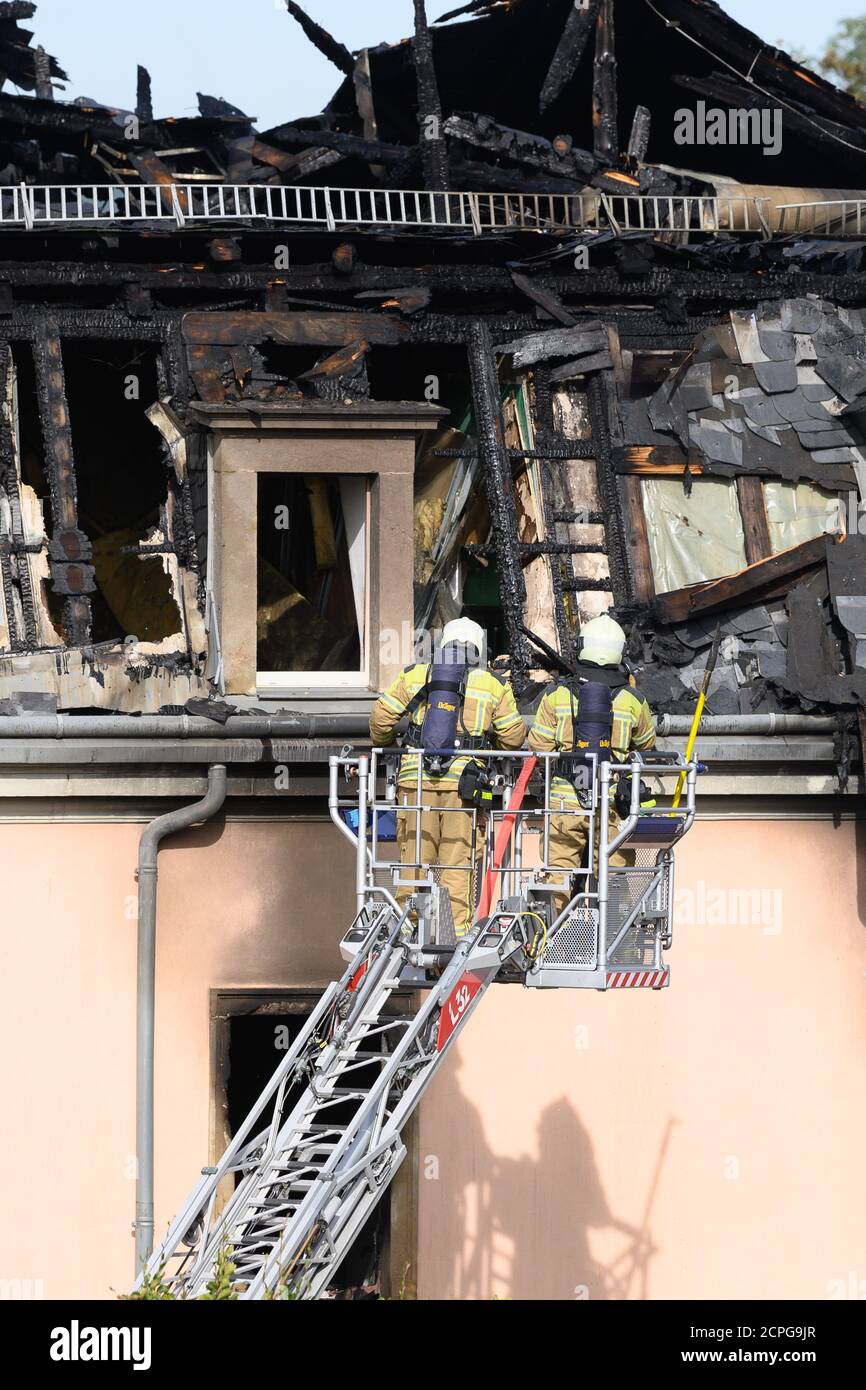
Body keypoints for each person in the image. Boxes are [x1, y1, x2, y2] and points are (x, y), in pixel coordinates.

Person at [369, 618, 525, 937]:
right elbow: (513, 737)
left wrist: (388, 747)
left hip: (415, 781)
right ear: (478, 648)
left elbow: (380, 720)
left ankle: (405, 928)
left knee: (414, 859)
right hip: (464, 785)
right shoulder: (492, 684)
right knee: (457, 863)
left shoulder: (415, 674)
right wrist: (486, 745)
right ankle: (457, 933)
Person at [528, 613, 655, 916]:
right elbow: (647, 743)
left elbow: (538, 745)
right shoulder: (632, 699)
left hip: (563, 801)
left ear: (583, 646)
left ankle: (550, 943)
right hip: (610, 801)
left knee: (557, 878)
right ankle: (610, 942)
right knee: (613, 877)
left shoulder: (557, 694)